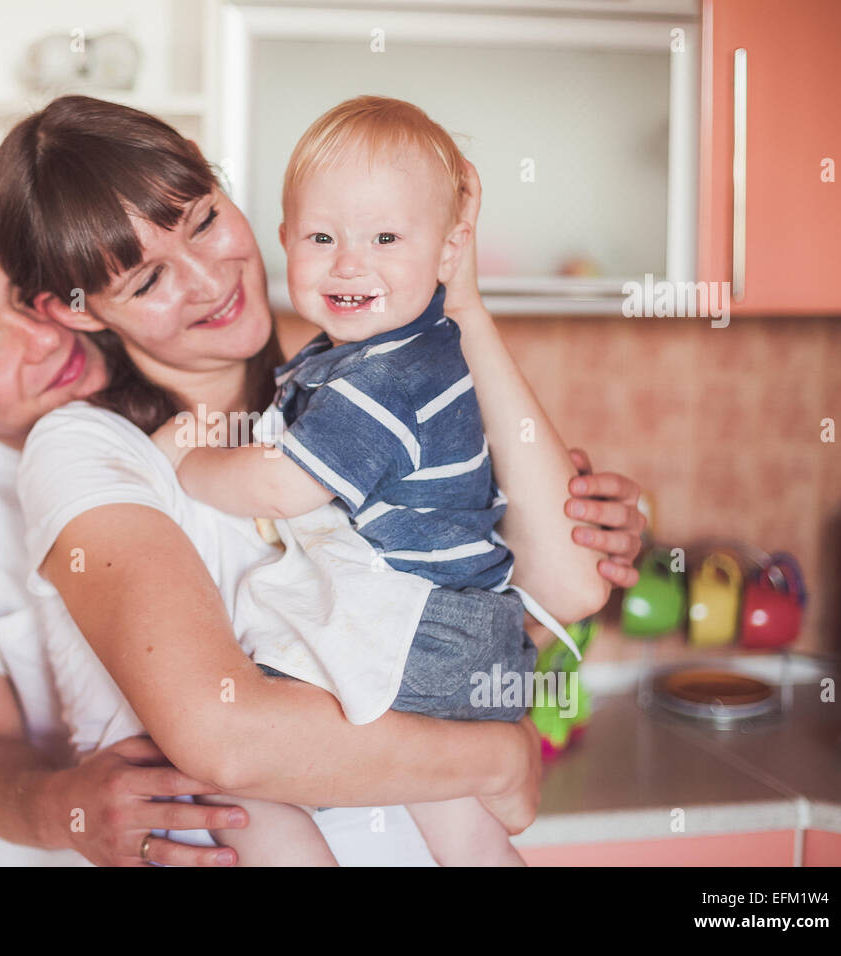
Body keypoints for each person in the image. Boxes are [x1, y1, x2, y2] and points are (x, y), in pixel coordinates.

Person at [0, 94, 644, 864]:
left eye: (205, 221)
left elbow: (567, 590)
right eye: (148, 281)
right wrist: (497, 757)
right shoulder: (93, 450)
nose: (208, 281)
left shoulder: (347, 389)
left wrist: (462, 301)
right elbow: (228, 737)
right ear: (72, 311)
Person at [149, 95, 589, 866]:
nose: (350, 262)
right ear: (287, 239)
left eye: (386, 237)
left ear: (450, 252)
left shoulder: (385, 378)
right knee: (453, 815)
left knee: (241, 772)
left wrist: (189, 461)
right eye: (322, 237)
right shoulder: (375, 354)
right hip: (461, 638)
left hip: (415, 634)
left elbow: (285, 487)